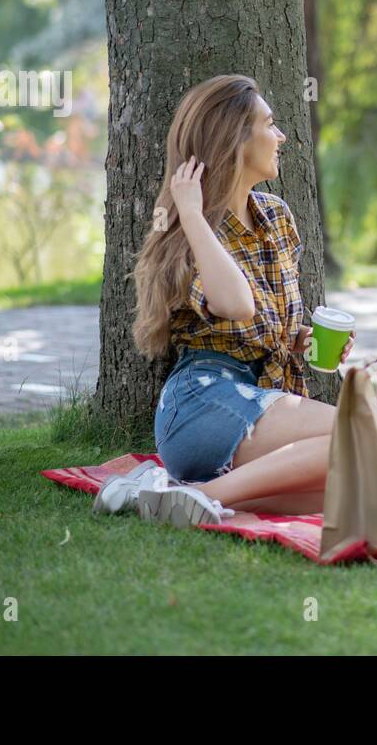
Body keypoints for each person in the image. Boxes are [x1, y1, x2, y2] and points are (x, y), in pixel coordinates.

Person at [94, 74, 353, 526]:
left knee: (360, 487)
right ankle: (202, 496)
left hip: (259, 397)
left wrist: (302, 342)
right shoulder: (188, 233)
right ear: (234, 139)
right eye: (269, 124)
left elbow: (265, 323)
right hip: (203, 403)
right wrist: (192, 214)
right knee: (361, 431)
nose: (282, 136)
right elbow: (236, 306)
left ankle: (168, 496)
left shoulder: (276, 216)